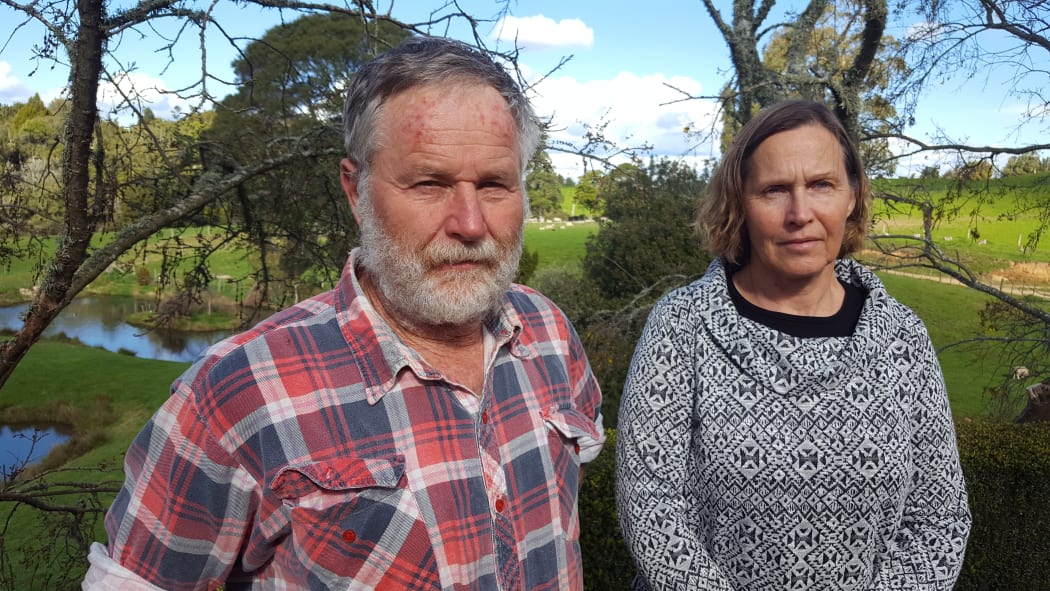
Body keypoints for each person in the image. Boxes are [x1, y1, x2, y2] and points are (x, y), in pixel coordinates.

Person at [83, 36, 604, 591]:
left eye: (495, 184)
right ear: (356, 190)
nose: (471, 224)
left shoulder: (549, 331)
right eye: (429, 183)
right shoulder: (238, 391)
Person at [616, 100, 970, 590]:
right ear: (741, 203)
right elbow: (651, 508)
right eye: (774, 190)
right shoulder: (682, 325)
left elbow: (939, 519)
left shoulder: (902, 336)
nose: (800, 214)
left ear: (852, 195)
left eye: (822, 185)